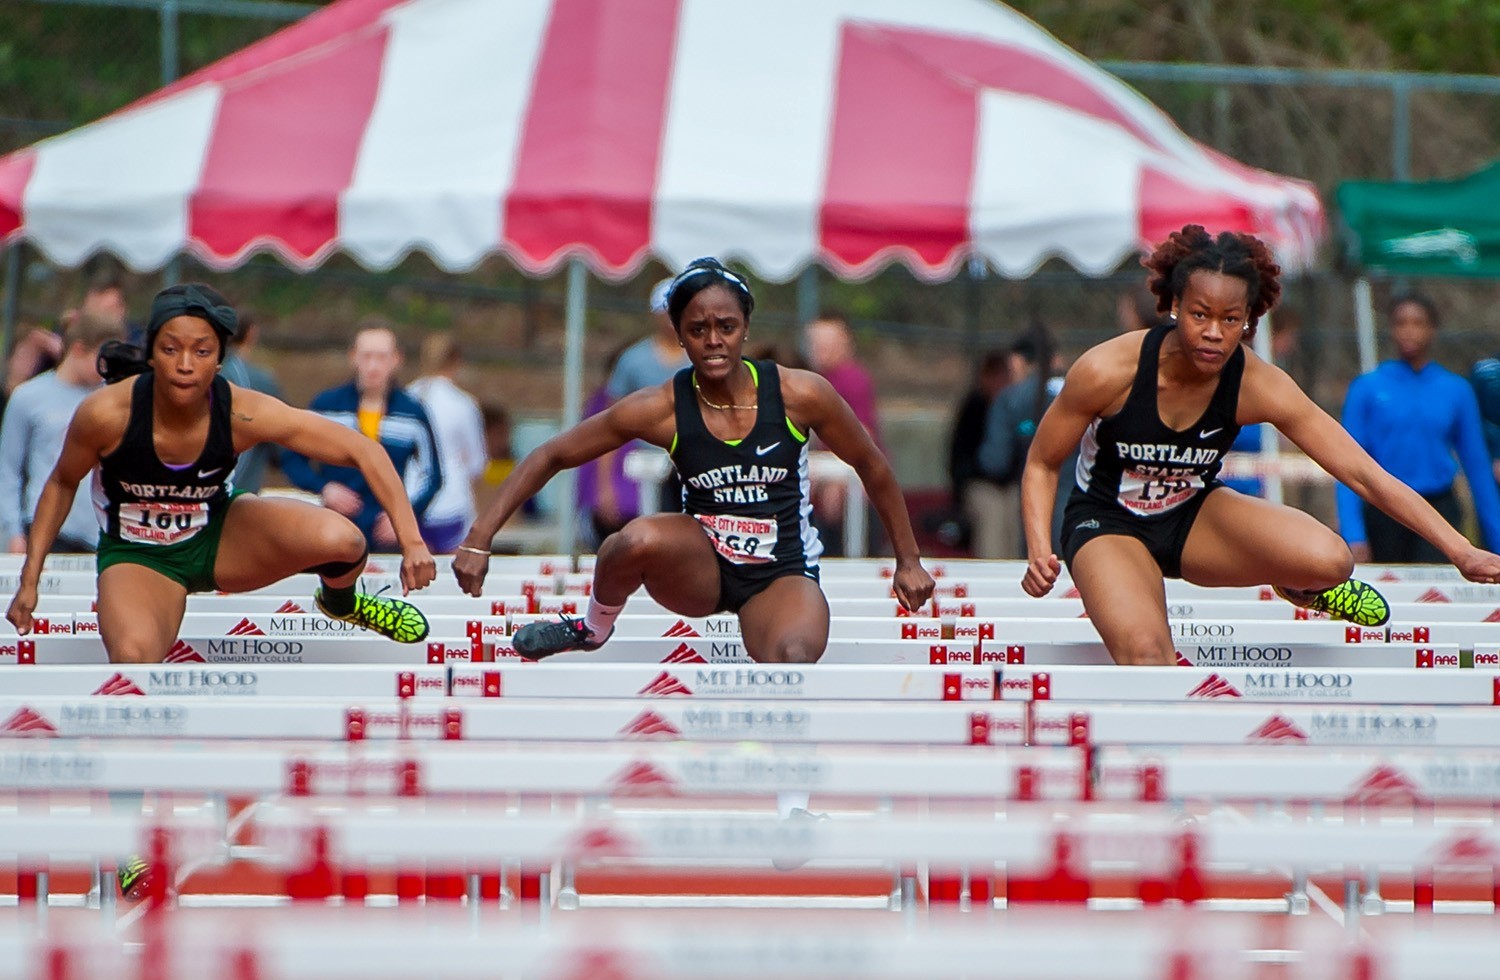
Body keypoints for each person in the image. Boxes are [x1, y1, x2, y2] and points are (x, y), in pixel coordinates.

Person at [1019, 225, 1500, 666]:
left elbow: (1361, 472)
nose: (1213, 333)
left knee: (1331, 561)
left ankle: (1296, 584)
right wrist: (1040, 547)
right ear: (1174, 307)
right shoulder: (1109, 370)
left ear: (1250, 320)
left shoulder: (1258, 384)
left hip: (1192, 518)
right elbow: (1042, 462)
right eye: (1200, 315)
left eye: (1230, 319)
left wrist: (1460, 550)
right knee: (1148, 655)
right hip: (1107, 520)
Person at [453, 257, 934, 663]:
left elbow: (873, 465)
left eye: (726, 327)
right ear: (679, 337)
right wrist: (479, 539)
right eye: (697, 330)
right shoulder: (662, 406)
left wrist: (907, 560)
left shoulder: (798, 393)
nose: (714, 340)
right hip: (700, 566)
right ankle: (592, 630)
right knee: (632, 539)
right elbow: (553, 454)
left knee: (794, 660)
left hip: (780, 571)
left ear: (745, 327)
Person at [4, 283, 435, 664]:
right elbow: (61, 482)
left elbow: (364, 450)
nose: (186, 365)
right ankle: (125, 607)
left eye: (202, 352)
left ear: (220, 360)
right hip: (140, 555)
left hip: (219, 537)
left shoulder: (242, 412)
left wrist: (412, 540)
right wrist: (30, 580)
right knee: (134, 659)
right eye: (171, 350)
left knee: (343, 539)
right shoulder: (107, 413)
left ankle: (340, 602)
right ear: (151, 352)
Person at [1338, 294, 1500, 563]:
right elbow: (1347, 464)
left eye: (1418, 323)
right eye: (1401, 323)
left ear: (1432, 329)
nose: (1409, 331)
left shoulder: (1456, 391)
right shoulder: (1367, 388)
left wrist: (1496, 541)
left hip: (1438, 512)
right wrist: (1353, 534)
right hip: (1384, 511)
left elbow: (1478, 469)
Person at [282, 321, 442, 550]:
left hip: (386, 531)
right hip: (335, 527)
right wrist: (324, 488)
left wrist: (406, 514)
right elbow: (292, 458)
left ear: (396, 360)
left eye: (381, 357)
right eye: (366, 356)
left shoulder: (412, 413)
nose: (373, 366)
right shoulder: (327, 407)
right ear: (353, 357)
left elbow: (433, 475)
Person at [0, 311, 122, 553]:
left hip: (100, 534)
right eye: (103, 359)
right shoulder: (28, 396)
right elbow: (8, 470)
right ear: (78, 349)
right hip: (47, 529)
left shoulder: (113, 399)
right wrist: (13, 531)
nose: (108, 369)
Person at [977, 329, 1069, 556]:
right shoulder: (1087, 390)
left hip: (1038, 525)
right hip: (1092, 521)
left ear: (1017, 362)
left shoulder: (1012, 399)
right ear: (1057, 358)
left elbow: (995, 461)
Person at [803, 312, 882, 556]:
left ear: (845, 343)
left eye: (828, 342)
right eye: (816, 342)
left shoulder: (852, 379)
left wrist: (833, 476)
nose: (820, 348)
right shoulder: (813, 378)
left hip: (852, 491)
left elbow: (863, 436)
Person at [407, 333, 487, 554]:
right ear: (456, 361)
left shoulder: (406, 397)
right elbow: (477, 463)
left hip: (410, 498)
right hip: (451, 499)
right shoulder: (462, 403)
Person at [947, 350, 1007, 556]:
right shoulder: (974, 408)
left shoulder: (1018, 405)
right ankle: (993, 573)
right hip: (979, 484)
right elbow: (961, 462)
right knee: (992, 510)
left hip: (1011, 486)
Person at [217, 311, 283, 493]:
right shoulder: (258, 380)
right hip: (237, 495)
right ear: (252, 333)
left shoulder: (194, 373)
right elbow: (282, 447)